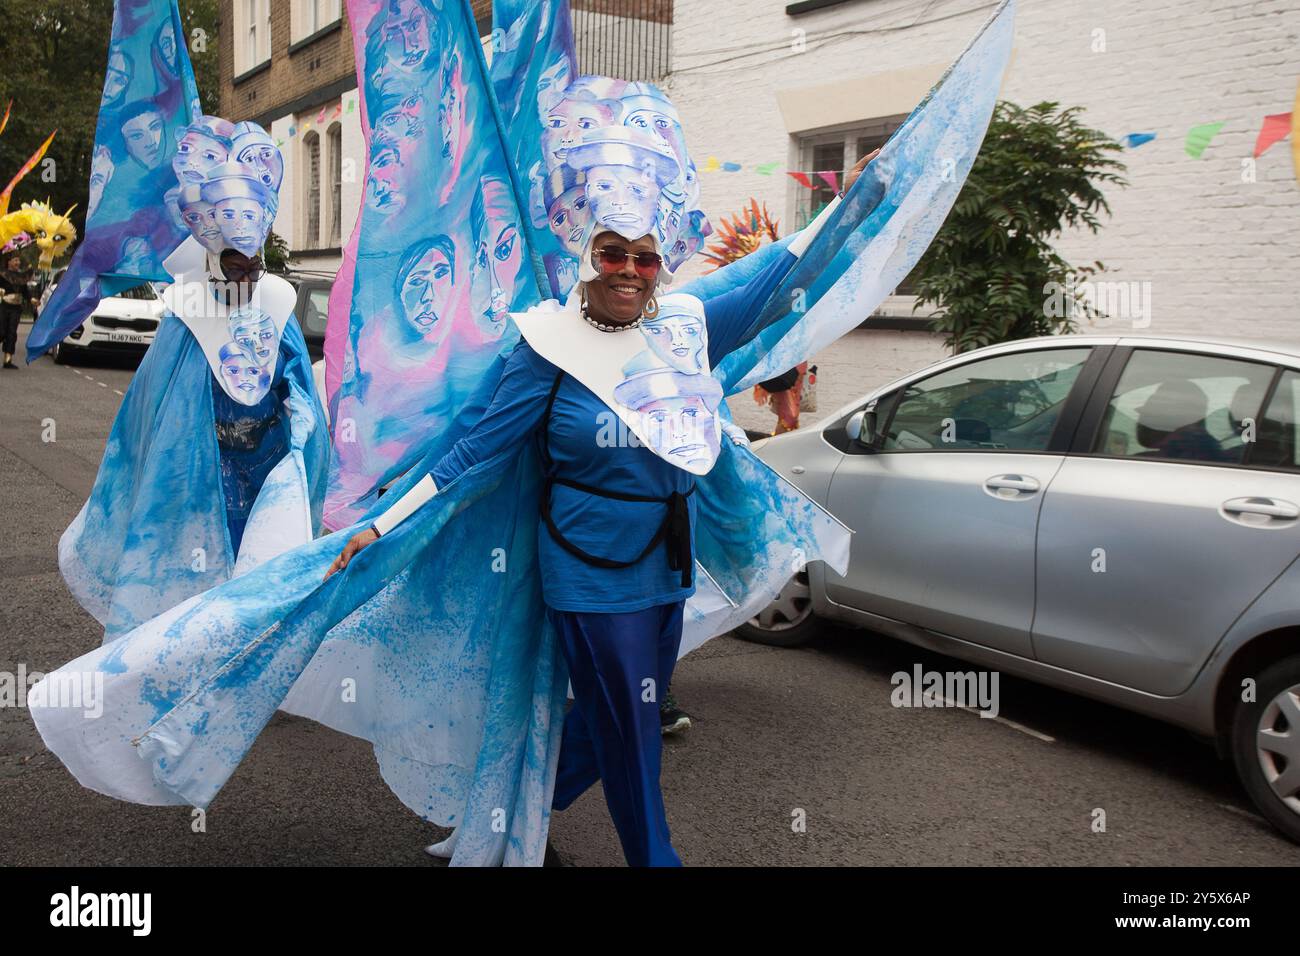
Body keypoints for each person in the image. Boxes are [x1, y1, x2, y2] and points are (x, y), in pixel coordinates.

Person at [327, 146, 875, 865]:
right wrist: (382, 524)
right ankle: (656, 858)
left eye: (644, 259)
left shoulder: (684, 325)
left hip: (666, 563)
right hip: (587, 568)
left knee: (622, 712)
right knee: (631, 729)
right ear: (587, 256)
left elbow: (785, 272)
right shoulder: (546, 347)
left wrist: (864, 196)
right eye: (612, 253)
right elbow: (473, 451)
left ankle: (506, 811)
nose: (627, 270)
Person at [0, 254, 32, 369]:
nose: (18, 263)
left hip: (16, 309)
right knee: (1, 332)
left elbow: (25, 291)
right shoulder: (2, 274)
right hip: (3, 307)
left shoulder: (20, 277)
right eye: (15, 260)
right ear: (9, 262)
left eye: (18, 260)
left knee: (12, 333)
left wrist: (31, 299)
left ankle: (7, 360)